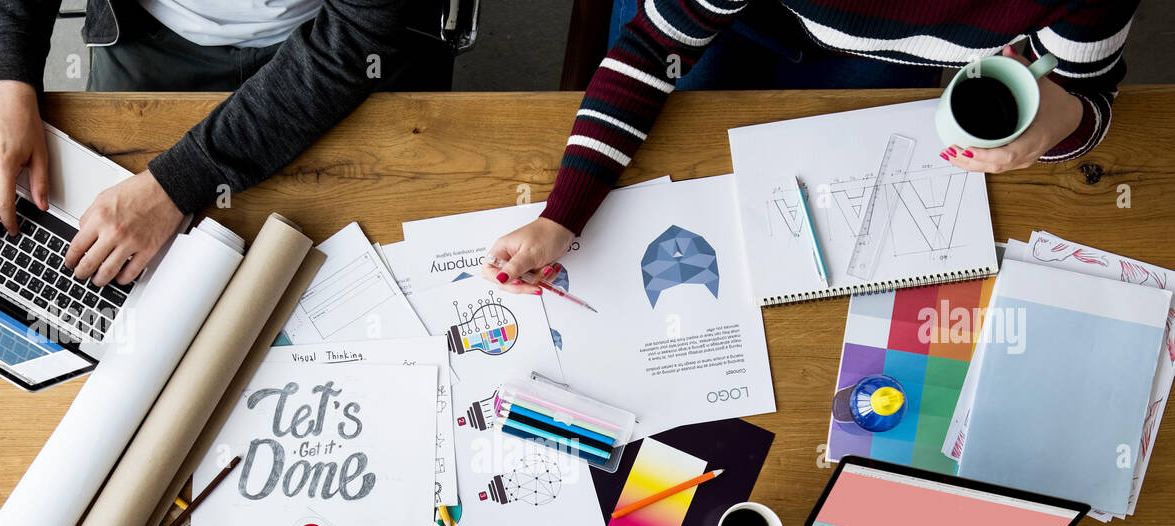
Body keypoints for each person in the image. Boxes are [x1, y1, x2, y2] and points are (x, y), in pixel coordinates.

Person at [484, 0, 1138, 291]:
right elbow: (658, 46)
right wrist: (560, 215)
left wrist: (1061, 126)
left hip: (896, 56)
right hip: (738, 21)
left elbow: (1090, 96)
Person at [0, 0, 450, 288]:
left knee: (352, 275)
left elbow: (357, 37)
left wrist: (175, 185)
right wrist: (7, 71)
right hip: (149, 37)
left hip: (331, 42)